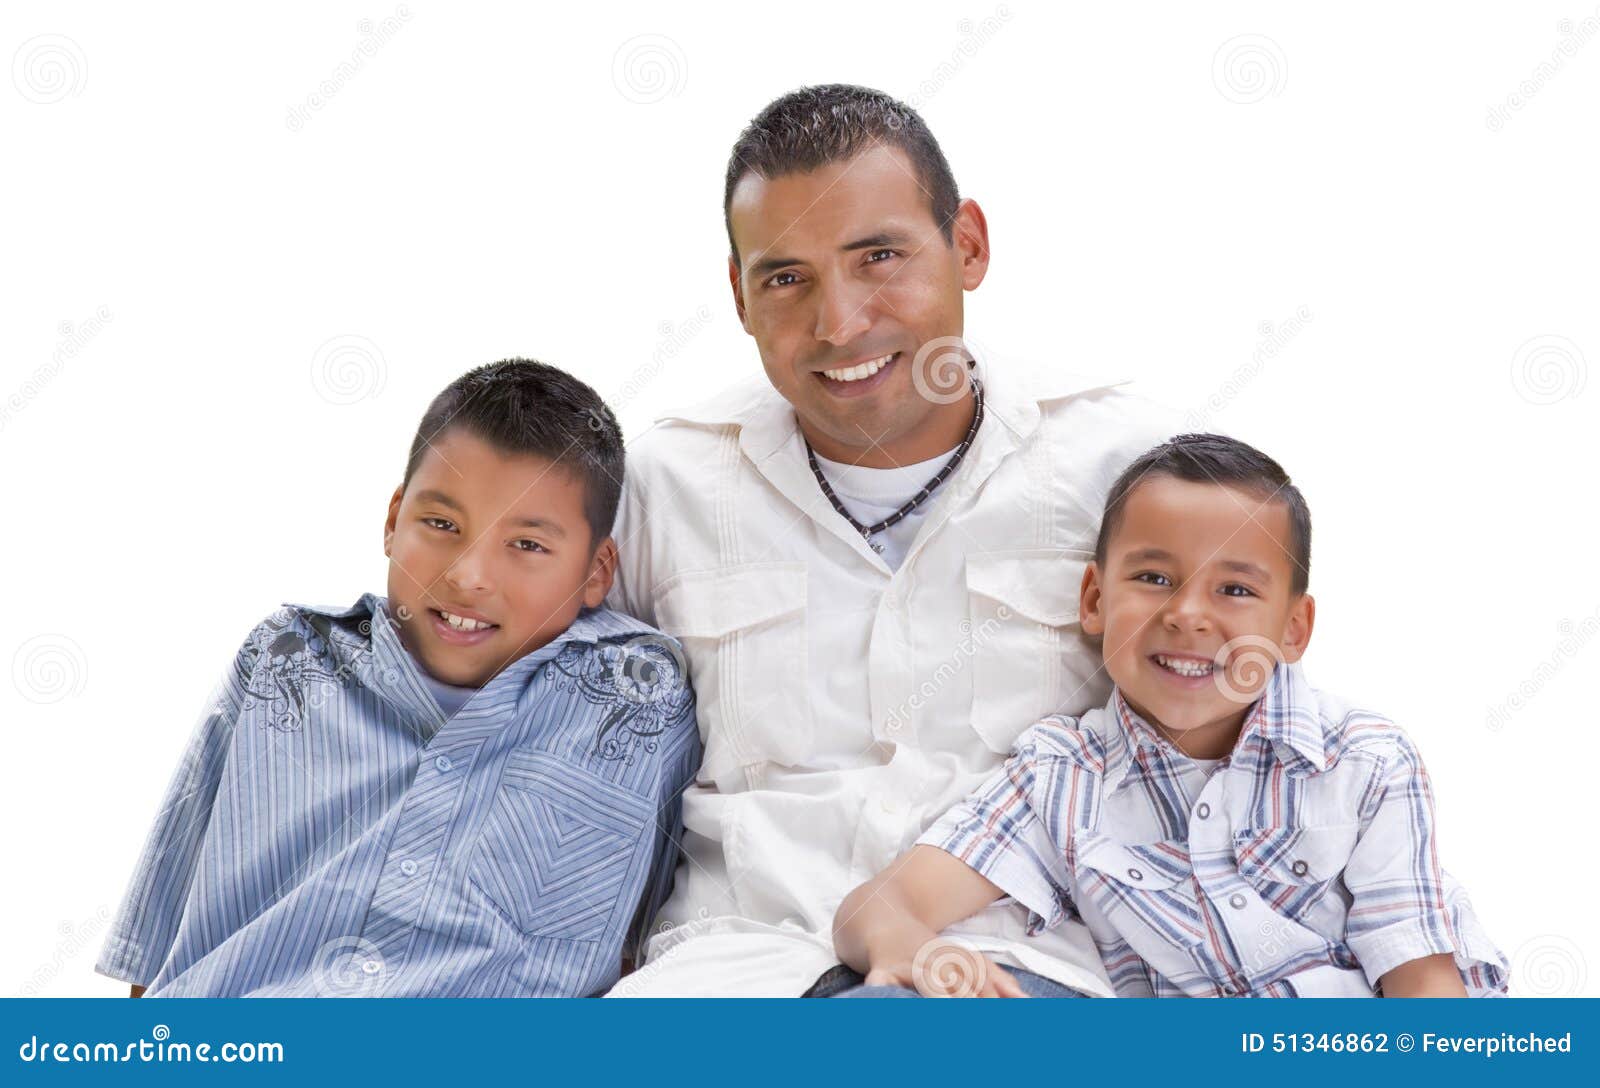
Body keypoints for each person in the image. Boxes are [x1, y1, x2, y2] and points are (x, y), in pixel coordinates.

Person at [605, 84, 1178, 997]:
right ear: (739, 295)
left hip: (1029, 973)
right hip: (734, 976)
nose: (838, 325)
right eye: (785, 278)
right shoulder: (663, 486)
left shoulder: (1126, 468)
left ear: (969, 246)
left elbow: (1254, 746)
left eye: (879, 257)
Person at [97, 359, 699, 997]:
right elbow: (157, 945)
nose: (469, 575)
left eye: (527, 545)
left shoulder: (637, 702)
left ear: (597, 571)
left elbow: (652, 945)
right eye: (442, 525)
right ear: (393, 519)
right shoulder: (287, 659)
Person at [833, 434, 1509, 997]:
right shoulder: (1061, 777)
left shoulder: (1365, 760)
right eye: (1154, 578)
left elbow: (1422, 984)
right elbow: (884, 904)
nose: (1187, 614)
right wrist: (908, 950)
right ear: (1094, 599)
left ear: (1294, 629)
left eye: (1236, 590)